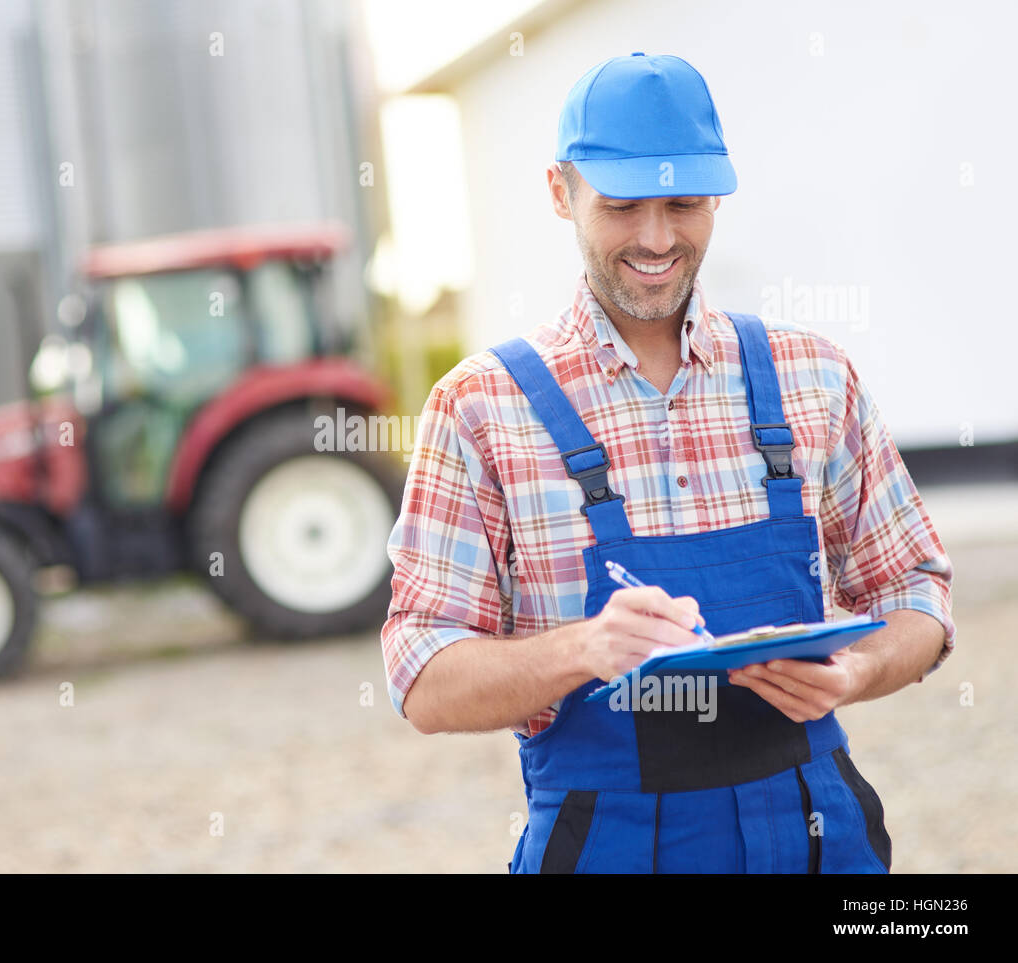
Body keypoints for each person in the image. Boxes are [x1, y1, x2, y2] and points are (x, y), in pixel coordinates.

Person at [379, 52, 955, 874]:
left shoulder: (813, 377)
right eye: (620, 207)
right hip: (608, 843)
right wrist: (582, 650)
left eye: (683, 203)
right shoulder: (481, 408)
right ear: (559, 193)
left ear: (716, 195)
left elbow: (917, 594)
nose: (656, 238)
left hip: (818, 831)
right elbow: (424, 679)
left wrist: (860, 668)